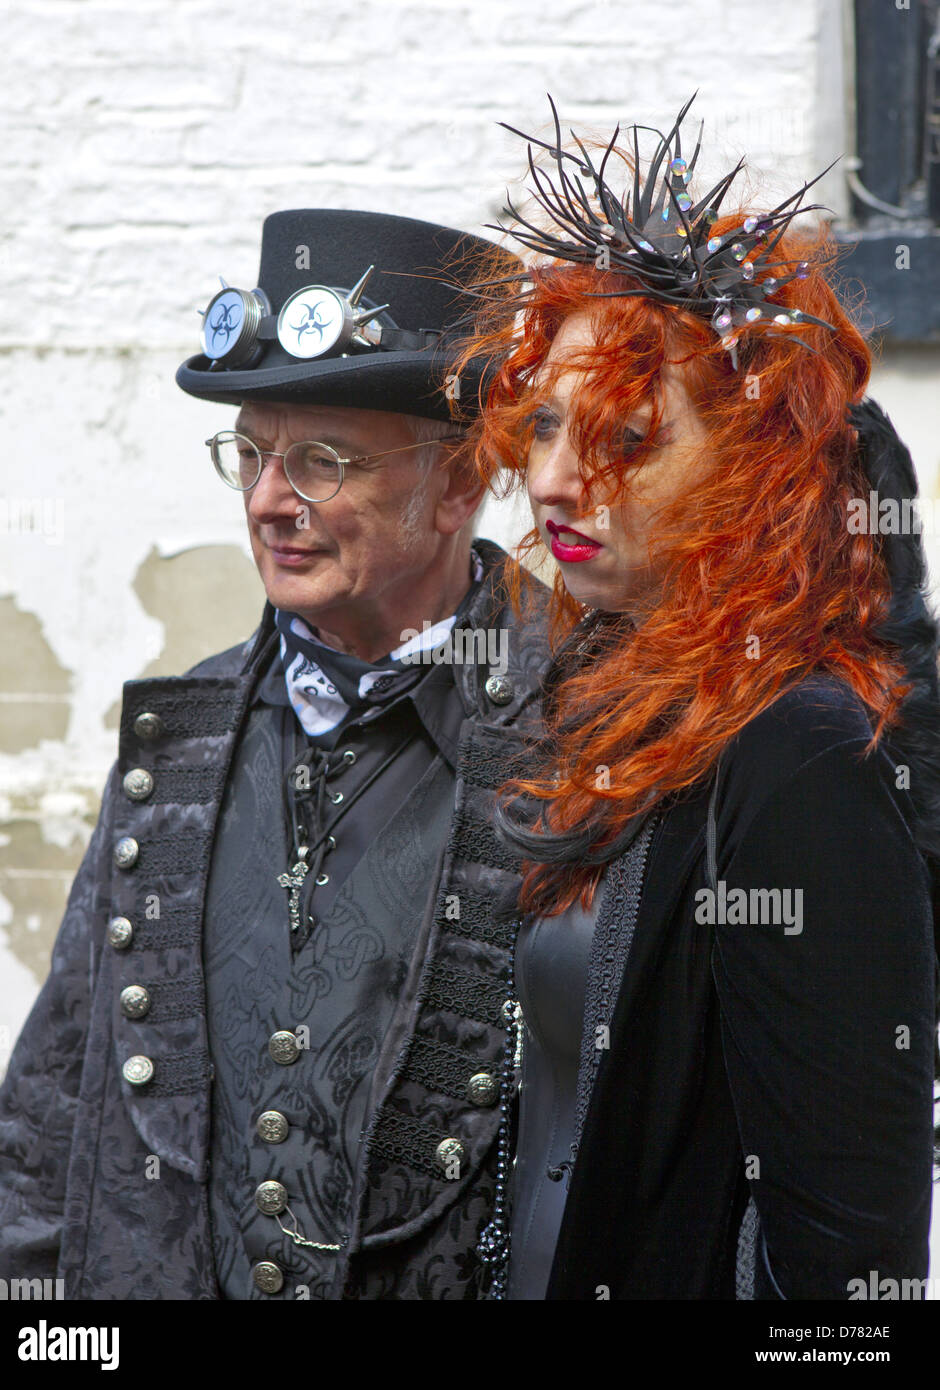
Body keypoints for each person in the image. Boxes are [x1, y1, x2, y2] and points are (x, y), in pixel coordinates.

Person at [0, 207, 553, 1299]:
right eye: (250, 454)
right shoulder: (178, 740)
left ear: (462, 480)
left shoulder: (583, 731)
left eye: (324, 461)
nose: (271, 502)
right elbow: (50, 1121)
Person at [457, 98, 940, 1300]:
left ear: (750, 467)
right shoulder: (603, 701)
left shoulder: (800, 751)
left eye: (625, 435)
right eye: (550, 425)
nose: (558, 481)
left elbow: (846, 1258)